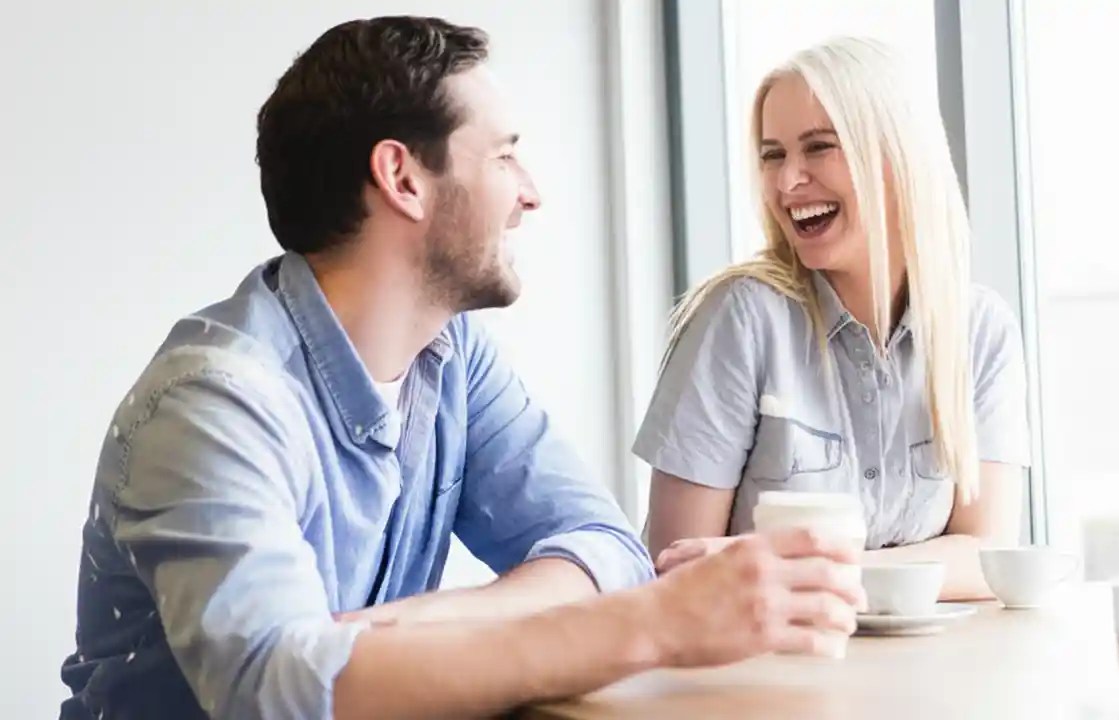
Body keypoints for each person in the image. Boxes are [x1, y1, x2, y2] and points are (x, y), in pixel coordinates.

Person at [59, 17, 864, 720]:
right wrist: (660, 625)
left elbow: (605, 545)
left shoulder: (452, 359)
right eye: (506, 156)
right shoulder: (212, 399)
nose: (531, 194)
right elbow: (281, 690)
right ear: (402, 178)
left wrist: (397, 628)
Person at [636, 37, 1031, 600]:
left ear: (896, 158)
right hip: (760, 679)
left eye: (818, 148)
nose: (786, 182)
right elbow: (675, 570)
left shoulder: (982, 330)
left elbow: (988, 557)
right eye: (773, 154)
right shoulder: (742, 317)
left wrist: (807, 568)